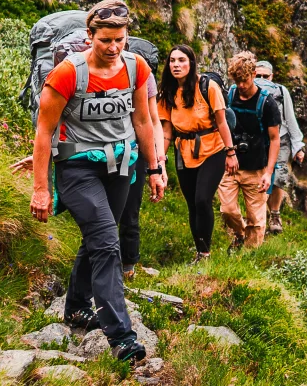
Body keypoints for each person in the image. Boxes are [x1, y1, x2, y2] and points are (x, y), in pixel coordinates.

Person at [29, 0, 166, 363]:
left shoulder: (136, 68)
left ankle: (75, 307)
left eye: (120, 39)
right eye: (106, 40)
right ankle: (122, 337)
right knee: (107, 242)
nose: (114, 47)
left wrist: (153, 169)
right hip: (76, 169)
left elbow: (142, 122)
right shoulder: (65, 73)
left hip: (121, 166)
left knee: (97, 240)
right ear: (90, 36)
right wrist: (41, 188)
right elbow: (44, 131)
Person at [158, 43, 235, 261]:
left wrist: (231, 152)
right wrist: (160, 160)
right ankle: (199, 251)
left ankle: (206, 252)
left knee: (202, 199)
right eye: (172, 61)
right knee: (192, 203)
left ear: (191, 63)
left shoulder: (208, 87)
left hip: (213, 149)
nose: (176, 65)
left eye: (181, 60)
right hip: (183, 151)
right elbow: (166, 130)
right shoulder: (167, 92)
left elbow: (222, 122)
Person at [217, 50, 280, 251]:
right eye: (237, 80)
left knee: (256, 218)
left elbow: (274, 139)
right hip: (231, 163)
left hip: (257, 168)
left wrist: (269, 173)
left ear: (253, 74)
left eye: (244, 80)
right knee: (227, 209)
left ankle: (249, 258)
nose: (241, 85)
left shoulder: (267, 103)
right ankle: (240, 233)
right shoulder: (231, 95)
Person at [117, 36, 164, 279]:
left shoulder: (143, 74)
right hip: (119, 149)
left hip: (135, 151)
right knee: (122, 212)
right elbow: (154, 122)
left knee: (129, 209)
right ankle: (120, 266)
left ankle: (127, 268)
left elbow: (151, 120)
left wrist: (158, 163)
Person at [253, 59, 304, 235]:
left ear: (272, 76)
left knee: (279, 177)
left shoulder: (282, 92)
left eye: (265, 76)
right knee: (256, 174)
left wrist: (298, 147)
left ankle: (275, 214)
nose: (261, 79)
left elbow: (290, 119)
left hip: (281, 139)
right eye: (257, 75)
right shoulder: (246, 90)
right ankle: (258, 215)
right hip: (257, 139)